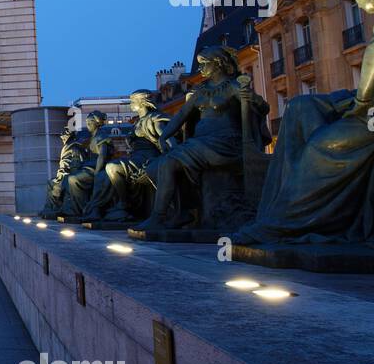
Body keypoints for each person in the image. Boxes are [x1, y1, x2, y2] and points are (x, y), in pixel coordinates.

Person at [235, 0, 374, 248]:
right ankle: (276, 211)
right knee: (300, 106)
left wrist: (363, 99)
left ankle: (286, 224)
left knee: (321, 147)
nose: (360, 5)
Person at [135, 46, 268, 231]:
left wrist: (252, 99)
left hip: (226, 143)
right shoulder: (200, 91)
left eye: (204, 64)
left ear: (218, 63)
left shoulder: (233, 86)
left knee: (168, 163)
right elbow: (179, 117)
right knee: (155, 167)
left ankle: (160, 217)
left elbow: (263, 107)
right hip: (200, 144)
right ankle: (180, 212)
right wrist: (164, 136)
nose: (201, 69)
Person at [83, 90, 170, 222]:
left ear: (142, 102)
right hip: (135, 157)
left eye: (133, 101)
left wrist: (163, 159)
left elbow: (167, 140)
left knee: (112, 167)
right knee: (103, 175)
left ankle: (124, 204)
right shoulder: (137, 122)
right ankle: (99, 208)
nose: (130, 103)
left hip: (147, 157)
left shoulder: (154, 119)